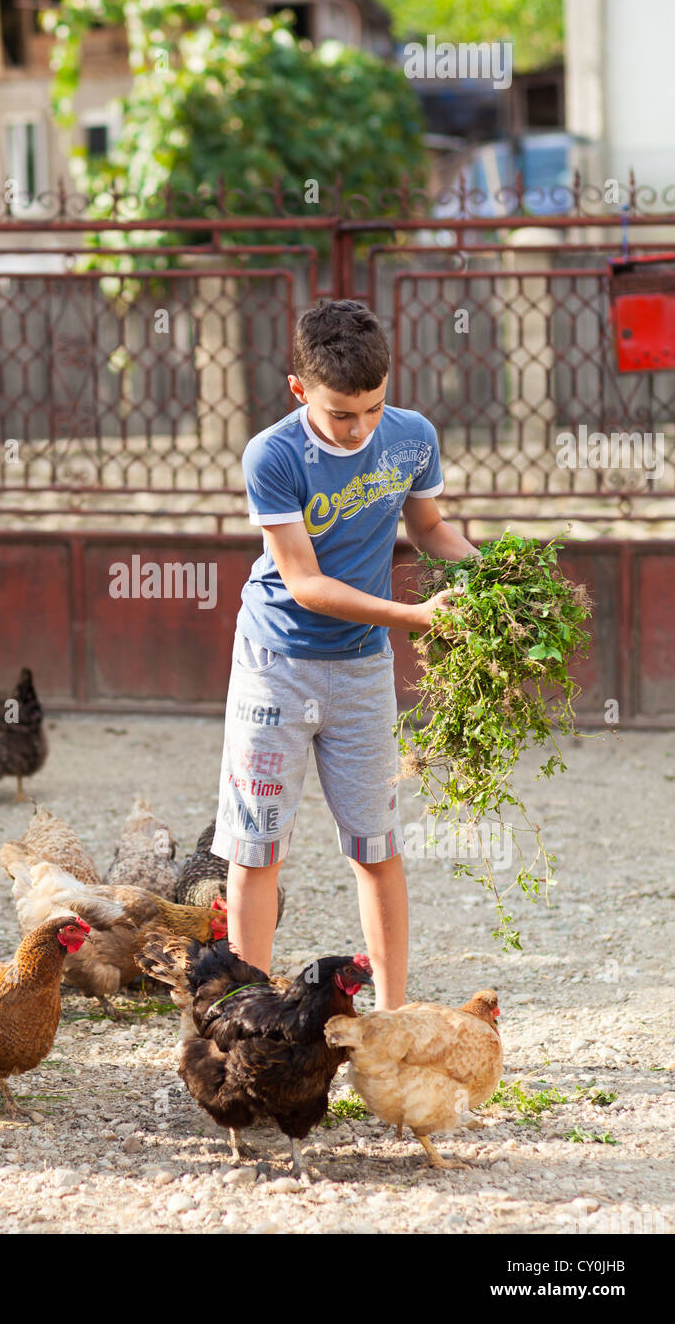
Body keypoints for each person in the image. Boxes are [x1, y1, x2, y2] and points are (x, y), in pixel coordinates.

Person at [212, 298, 478, 1009]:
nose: (359, 429)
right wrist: (415, 616)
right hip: (276, 665)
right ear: (300, 390)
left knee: (378, 849)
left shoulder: (412, 437)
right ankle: (249, 1020)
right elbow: (304, 582)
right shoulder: (272, 455)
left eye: (372, 408)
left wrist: (492, 578)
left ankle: (391, 1022)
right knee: (257, 851)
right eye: (340, 414)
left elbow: (430, 529)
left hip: (362, 671)